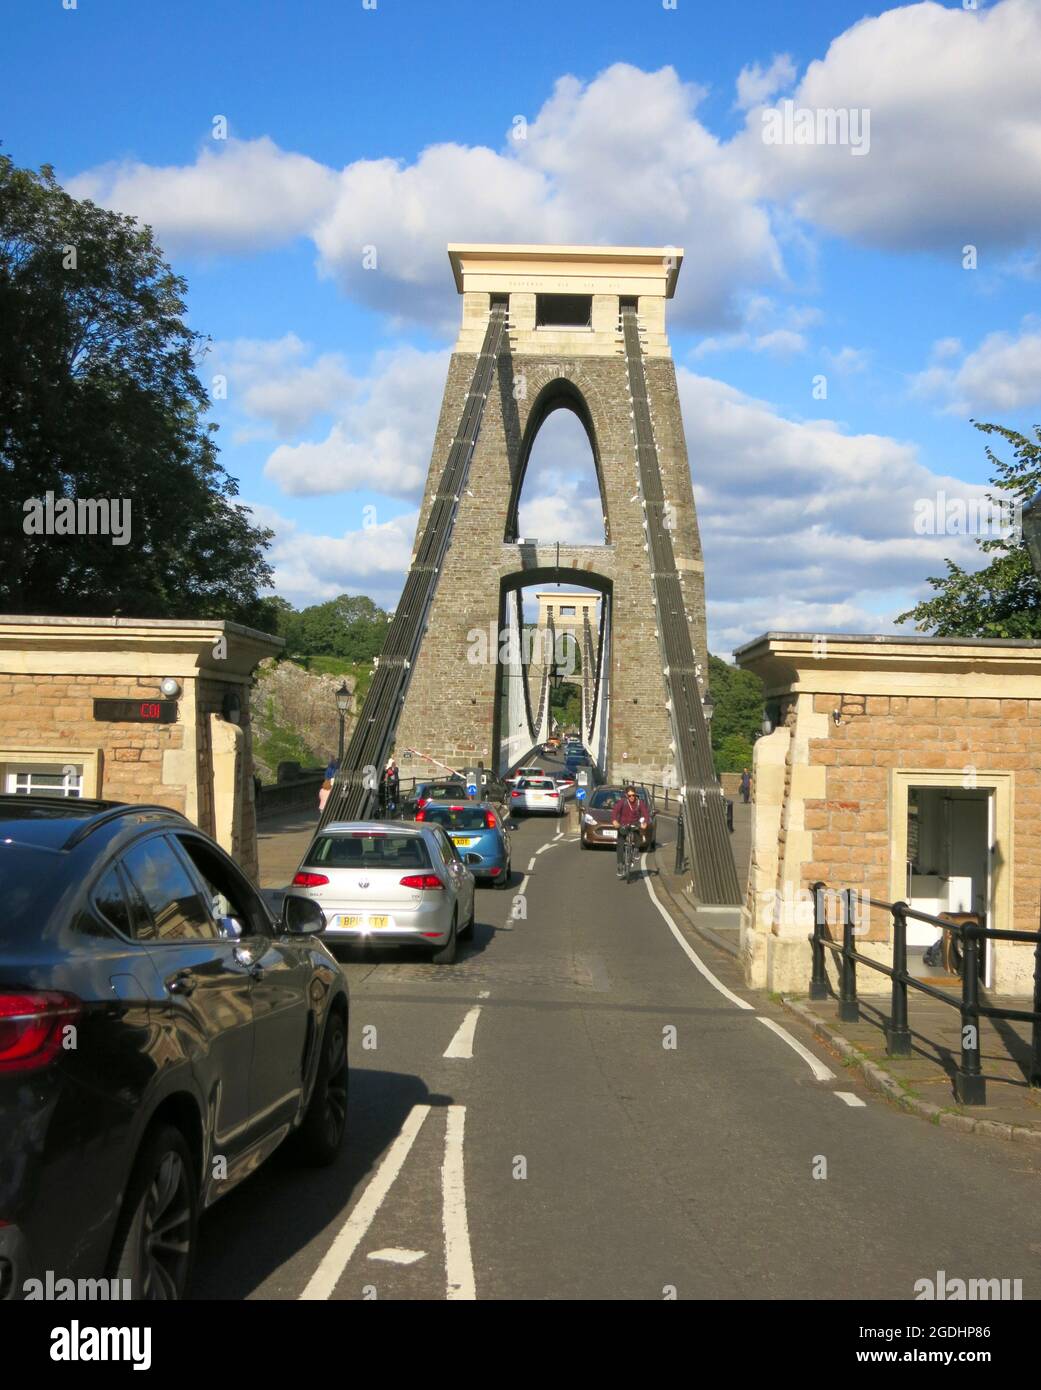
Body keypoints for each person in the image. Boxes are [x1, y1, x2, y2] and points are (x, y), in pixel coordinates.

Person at [611, 785, 648, 878]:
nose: (632, 797)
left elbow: (645, 814)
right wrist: (614, 820)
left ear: (636, 795)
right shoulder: (622, 802)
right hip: (623, 824)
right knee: (620, 843)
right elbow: (615, 811)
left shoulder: (639, 803)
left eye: (633, 795)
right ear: (626, 795)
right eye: (629, 795)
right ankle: (620, 865)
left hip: (635, 823)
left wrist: (645, 822)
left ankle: (635, 850)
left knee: (638, 835)